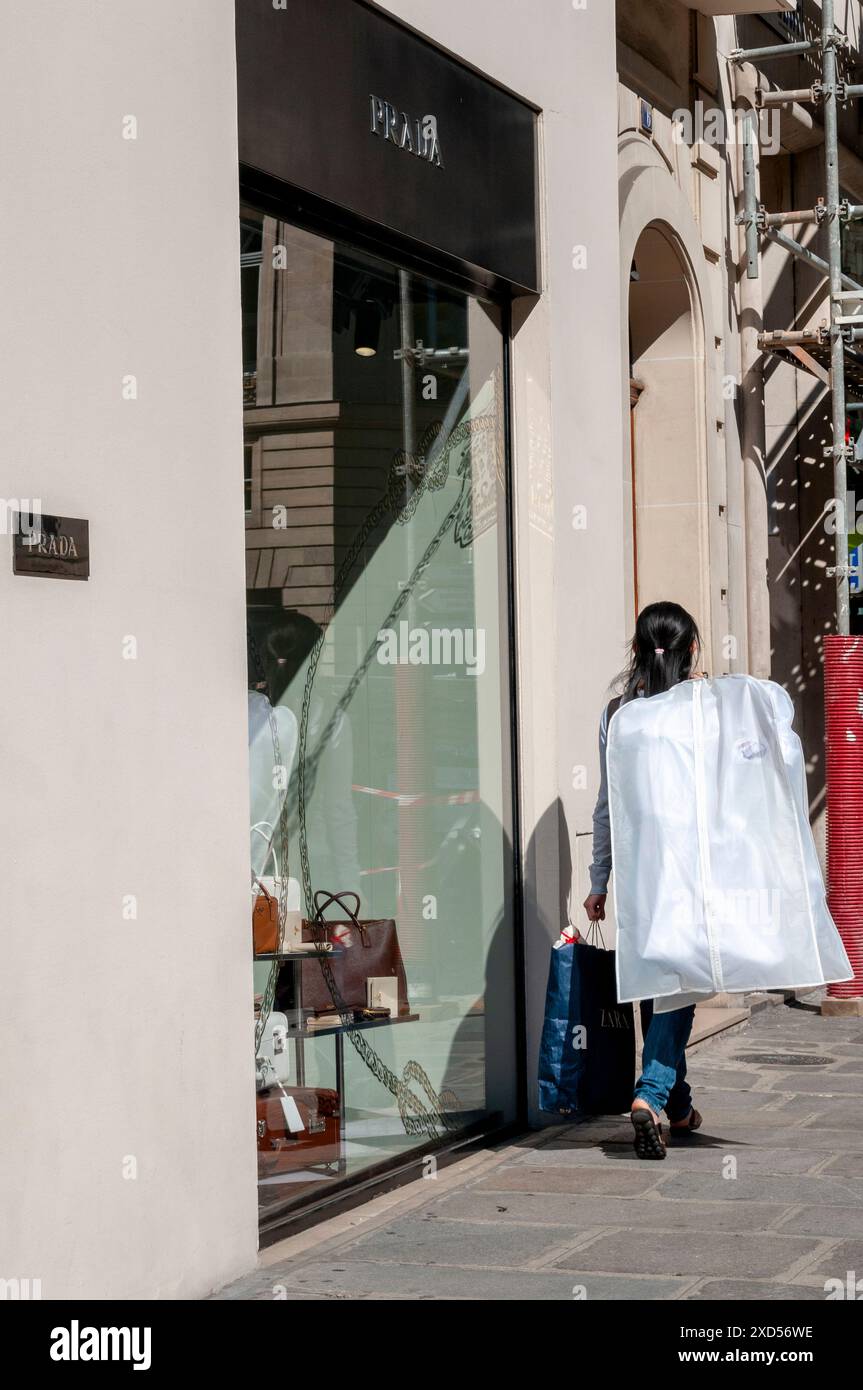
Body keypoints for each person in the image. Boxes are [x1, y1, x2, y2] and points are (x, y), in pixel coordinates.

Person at [583, 600, 705, 1160]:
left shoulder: (617, 714)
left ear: (636, 650)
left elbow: (606, 807)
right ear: (691, 652)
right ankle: (651, 1094)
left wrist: (600, 879)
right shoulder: (700, 709)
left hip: (637, 877)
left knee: (651, 985)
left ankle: (676, 1105)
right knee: (679, 984)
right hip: (687, 871)